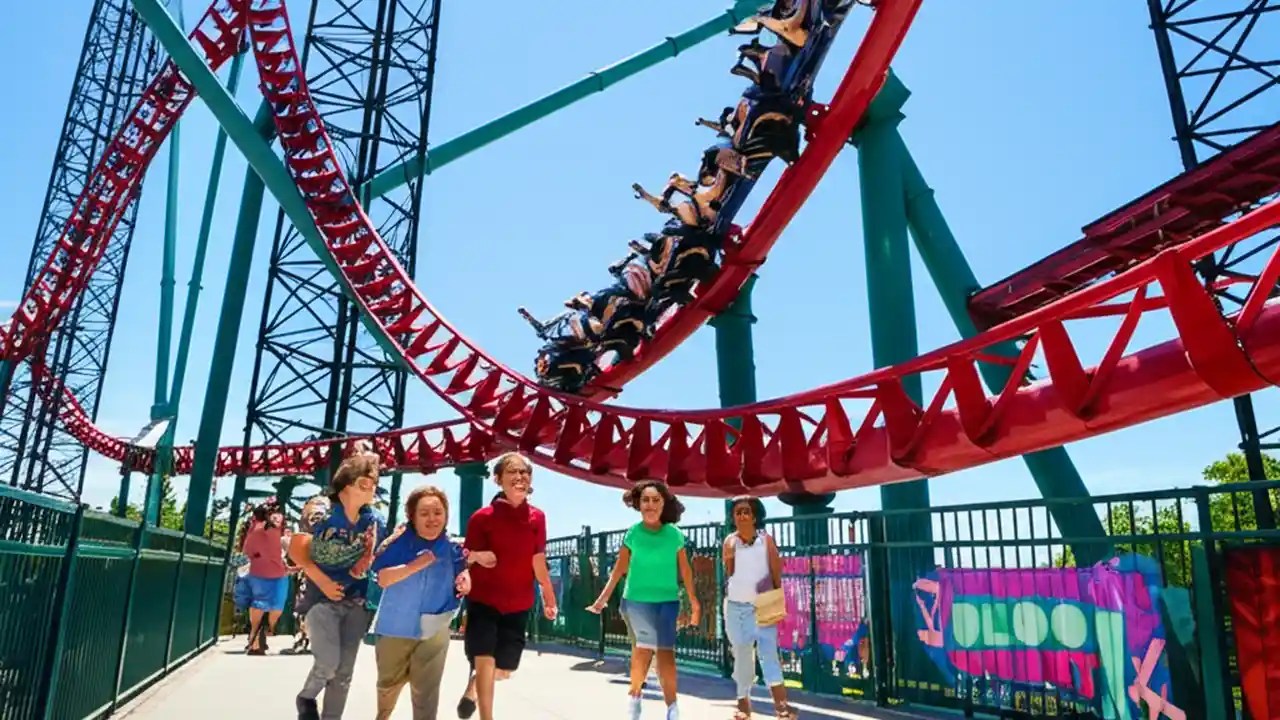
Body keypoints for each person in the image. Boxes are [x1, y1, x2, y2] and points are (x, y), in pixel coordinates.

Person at [455, 452, 557, 720]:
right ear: (498, 479)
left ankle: (474, 685)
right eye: (513, 472)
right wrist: (478, 556)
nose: (520, 477)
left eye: (525, 473)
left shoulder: (538, 518)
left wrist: (548, 595)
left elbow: (538, 559)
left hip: (519, 602)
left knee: (504, 669)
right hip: (484, 600)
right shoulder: (482, 517)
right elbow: (463, 555)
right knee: (484, 657)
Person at [588, 480, 701, 720]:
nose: (650, 505)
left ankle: (672, 708)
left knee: (666, 653)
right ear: (639, 504)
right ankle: (635, 696)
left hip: (668, 602)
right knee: (645, 649)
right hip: (636, 602)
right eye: (645, 500)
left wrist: (694, 602)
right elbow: (618, 570)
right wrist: (602, 599)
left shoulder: (675, 535)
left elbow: (686, 571)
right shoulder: (633, 533)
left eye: (655, 500)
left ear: (663, 504)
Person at [288, 449, 387, 720]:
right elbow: (297, 549)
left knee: (344, 673)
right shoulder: (321, 510)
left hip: (357, 601)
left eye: (373, 482)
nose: (371, 487)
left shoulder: (374, 519)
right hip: (321, 599)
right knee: (328, 663)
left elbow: (382, 556)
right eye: (365, 481)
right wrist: (324, 581)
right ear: (347, 484)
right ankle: (306, 697)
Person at [370, 485, 473, 720]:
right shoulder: (397, 543)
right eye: (424, 513)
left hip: (434, 628)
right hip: (395, 627)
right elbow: (383, 578)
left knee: (427, 691)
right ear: (412, 516)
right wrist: (414, 565)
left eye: (438, 512)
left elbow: (463, 574)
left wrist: (465, 580)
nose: (432, 519)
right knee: (388, 684)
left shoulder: (453, 548)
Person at [722, 496, 795, 719]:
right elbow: (730, 571)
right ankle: (743, 706)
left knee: (768, 654)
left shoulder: (767, 540)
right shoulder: (729, 542)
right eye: (737, 512)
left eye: (746, 511)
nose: (742, 515)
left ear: (754, 516)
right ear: (733, 517)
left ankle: (781, 705)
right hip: (736, 607)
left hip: (763, 605)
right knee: (742, 655)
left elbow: (776, 571)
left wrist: (774, 599)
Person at [241, 497, 290, 655]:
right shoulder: (269, 530)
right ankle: (260, 635)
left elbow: (247, 550)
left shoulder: (256, 528)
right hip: (272, 573)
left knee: (263, 604)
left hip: (265, 571)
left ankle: (256, 635)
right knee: (273, 606)